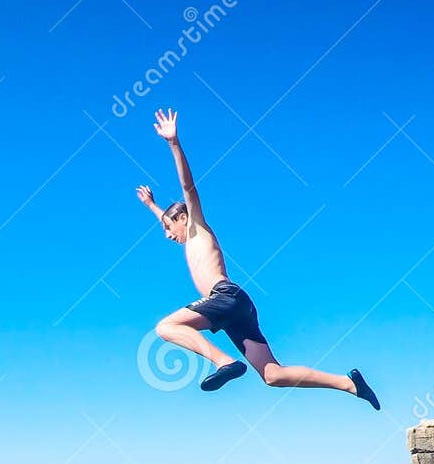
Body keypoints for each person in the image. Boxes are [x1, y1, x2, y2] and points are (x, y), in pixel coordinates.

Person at [137, 109, 380, 407]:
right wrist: (151, 205)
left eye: (168, 227)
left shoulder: (197, 226)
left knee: (166, 327)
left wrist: (174, 143)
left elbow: (188, 188)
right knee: (272, 375)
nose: (166, 234)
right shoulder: (189, 236)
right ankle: (348, 384)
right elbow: (168, 217)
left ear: (183, 218)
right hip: (237, 307)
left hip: (224, 296)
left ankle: (223, 362)